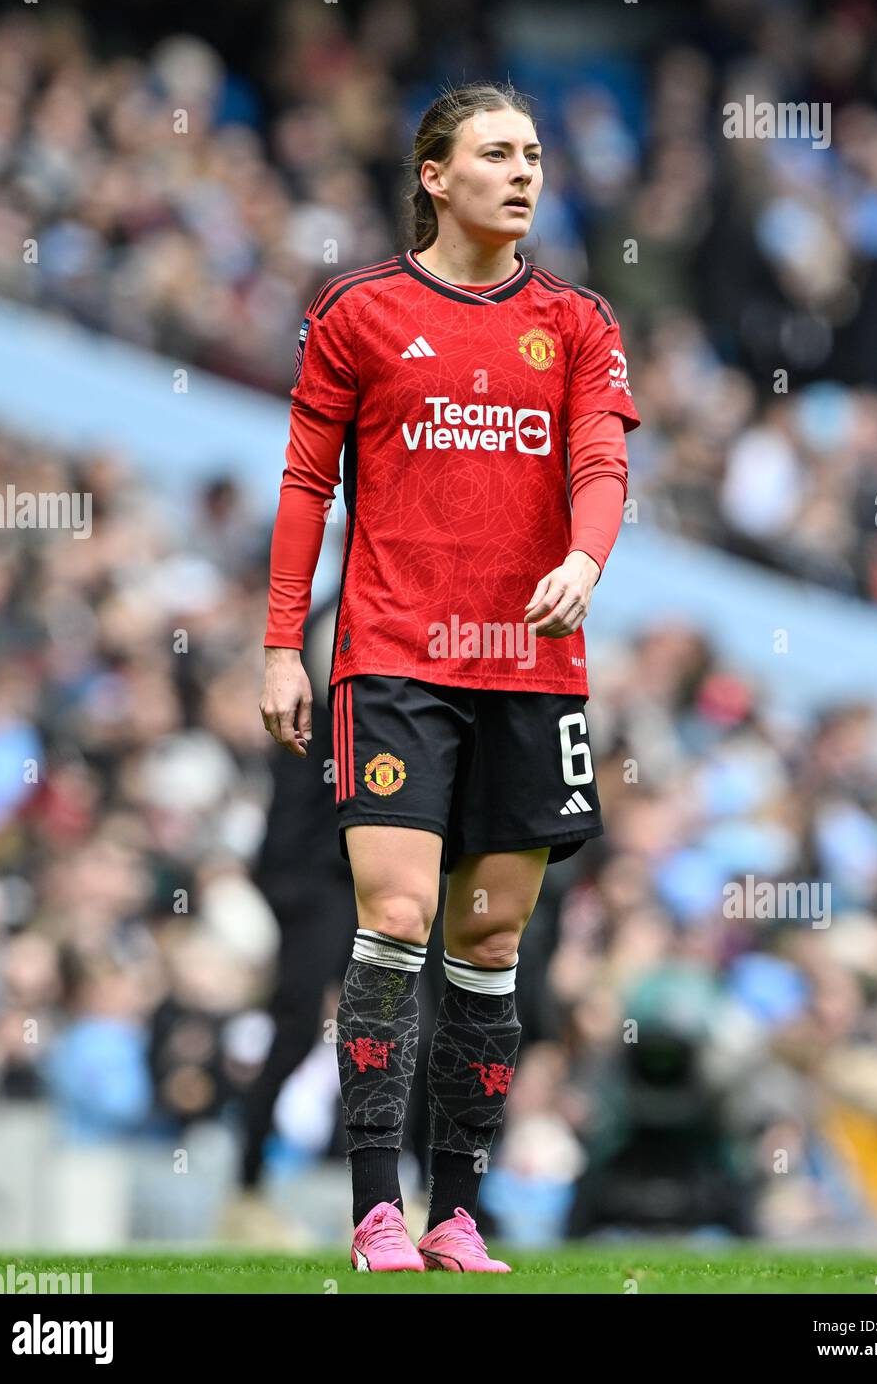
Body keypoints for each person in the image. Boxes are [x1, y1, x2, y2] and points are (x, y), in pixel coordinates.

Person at [259, 80, 640, 1272]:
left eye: (533, 152)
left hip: (529, 668)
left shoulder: (577, 320)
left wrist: (584, 556)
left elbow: (597, 461)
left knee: (485, 942)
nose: (524, 171)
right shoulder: (359, 312)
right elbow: (305, 486)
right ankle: (376, 1200)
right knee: (396, 917)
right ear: (435, 176)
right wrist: (280, 640)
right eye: (496, 152)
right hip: (394, 658)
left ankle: (458, 1210)